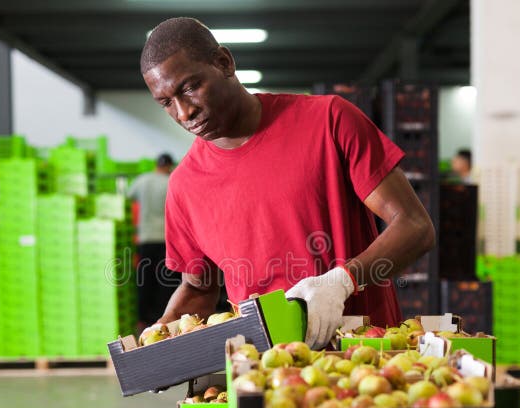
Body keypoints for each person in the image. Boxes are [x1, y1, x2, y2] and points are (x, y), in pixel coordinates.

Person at [140, 17, 435, 349]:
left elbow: (415, 226)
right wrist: (159, 341)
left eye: (190, 87)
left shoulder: (329, 121)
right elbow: (198, 287)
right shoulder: (184, 186)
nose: (183, 112)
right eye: (166, 102)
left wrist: (342, 282)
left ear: (224, 62)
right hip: (265, 368)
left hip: (364, 355)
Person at [127, 153, 180, 328]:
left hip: (146, 238)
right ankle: (163, 318)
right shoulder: (171, 180)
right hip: (166, 238)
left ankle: (144, 318)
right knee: (165, 280)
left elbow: (129, 196)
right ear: (169, 166)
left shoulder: (142, 180)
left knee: (146, 279)